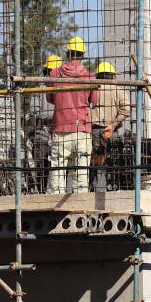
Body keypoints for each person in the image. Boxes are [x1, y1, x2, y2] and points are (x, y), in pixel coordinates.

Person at [46, 37, 98, 193]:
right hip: (82, 130)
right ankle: (80, 208)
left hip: (60, 129)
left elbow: (49, 98)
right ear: (83, 55)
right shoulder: (89, 77)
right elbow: (94, 101)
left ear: (67, 53)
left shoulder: (55, 73)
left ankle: (54, 209)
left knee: (57, 171)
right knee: (81, 174)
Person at [90, 61, 130, 191]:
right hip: (111, 131)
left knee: (94, 165)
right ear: (112, 76)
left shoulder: (92, 88)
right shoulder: (117, 89)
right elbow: (126, 110)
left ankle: (94, 192)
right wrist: (113, 124)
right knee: (112, 163)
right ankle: (111, 190)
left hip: (94, 130)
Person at [26, 55, 62, 193]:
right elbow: (34, 112)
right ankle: (43, 191)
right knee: (43, 163)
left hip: (58, 129)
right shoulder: (38, 89)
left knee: (57, 163)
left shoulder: (62, 88)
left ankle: (55, 190)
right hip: (43, 130)